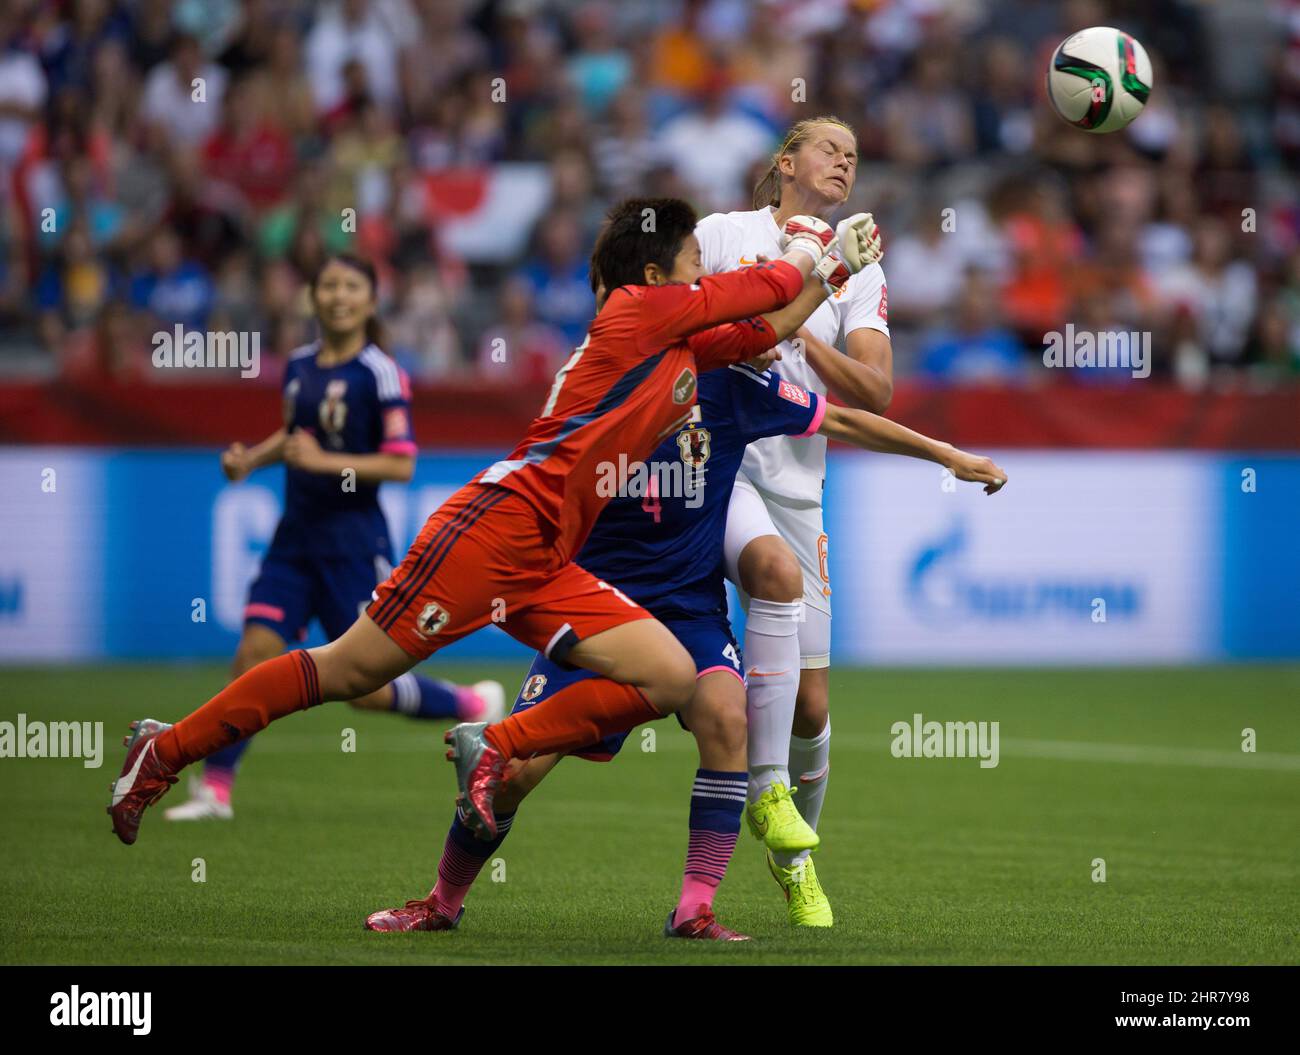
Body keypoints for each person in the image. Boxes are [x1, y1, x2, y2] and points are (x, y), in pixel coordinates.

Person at [106, 198, 853, 849]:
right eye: (693, 259)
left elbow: (766, 324)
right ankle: (165, 749)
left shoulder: (675, 337)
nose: (702, 272)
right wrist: (804, 245)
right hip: (495, 528)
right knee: (349, 670)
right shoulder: (635, 311)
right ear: (656, 277)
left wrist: (834, 273)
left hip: (549, 554)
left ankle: (493, 743)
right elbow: (769, 284)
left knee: (666, 675)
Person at [362, 274, 1005, 938]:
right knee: (517, 775)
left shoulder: (738, 390)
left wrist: (947, 454)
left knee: (728, 717)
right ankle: (440, 900)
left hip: (688, 612)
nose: (767, 341)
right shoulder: (601, 384)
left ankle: (696, 907)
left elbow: (842, 417)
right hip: (597, 608)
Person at [160, 252, 504, 822]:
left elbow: (400, 465)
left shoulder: (381, 372)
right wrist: (253, 459)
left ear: (370, 301)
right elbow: (298, 435)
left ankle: (466, 702)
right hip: (293, 541)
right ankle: (215, 788)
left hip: (352, 544)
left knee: (364, 689)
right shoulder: (298, 366)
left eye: (351, 286)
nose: (338, 296)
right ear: (314, 297)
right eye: (328, 286)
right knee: (253, 654)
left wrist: (326, 461)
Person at [693, 116, 892, 926]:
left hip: (796, 481)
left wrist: (803, 324)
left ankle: (791, 856)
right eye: (829, 148)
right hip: (717, 461)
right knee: (764, 576)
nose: (844, 160)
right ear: (785, 162)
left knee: (812, 708)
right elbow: (679, 322)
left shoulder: (861, 265)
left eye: (854, 153)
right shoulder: (722, 233)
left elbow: (875, 392)